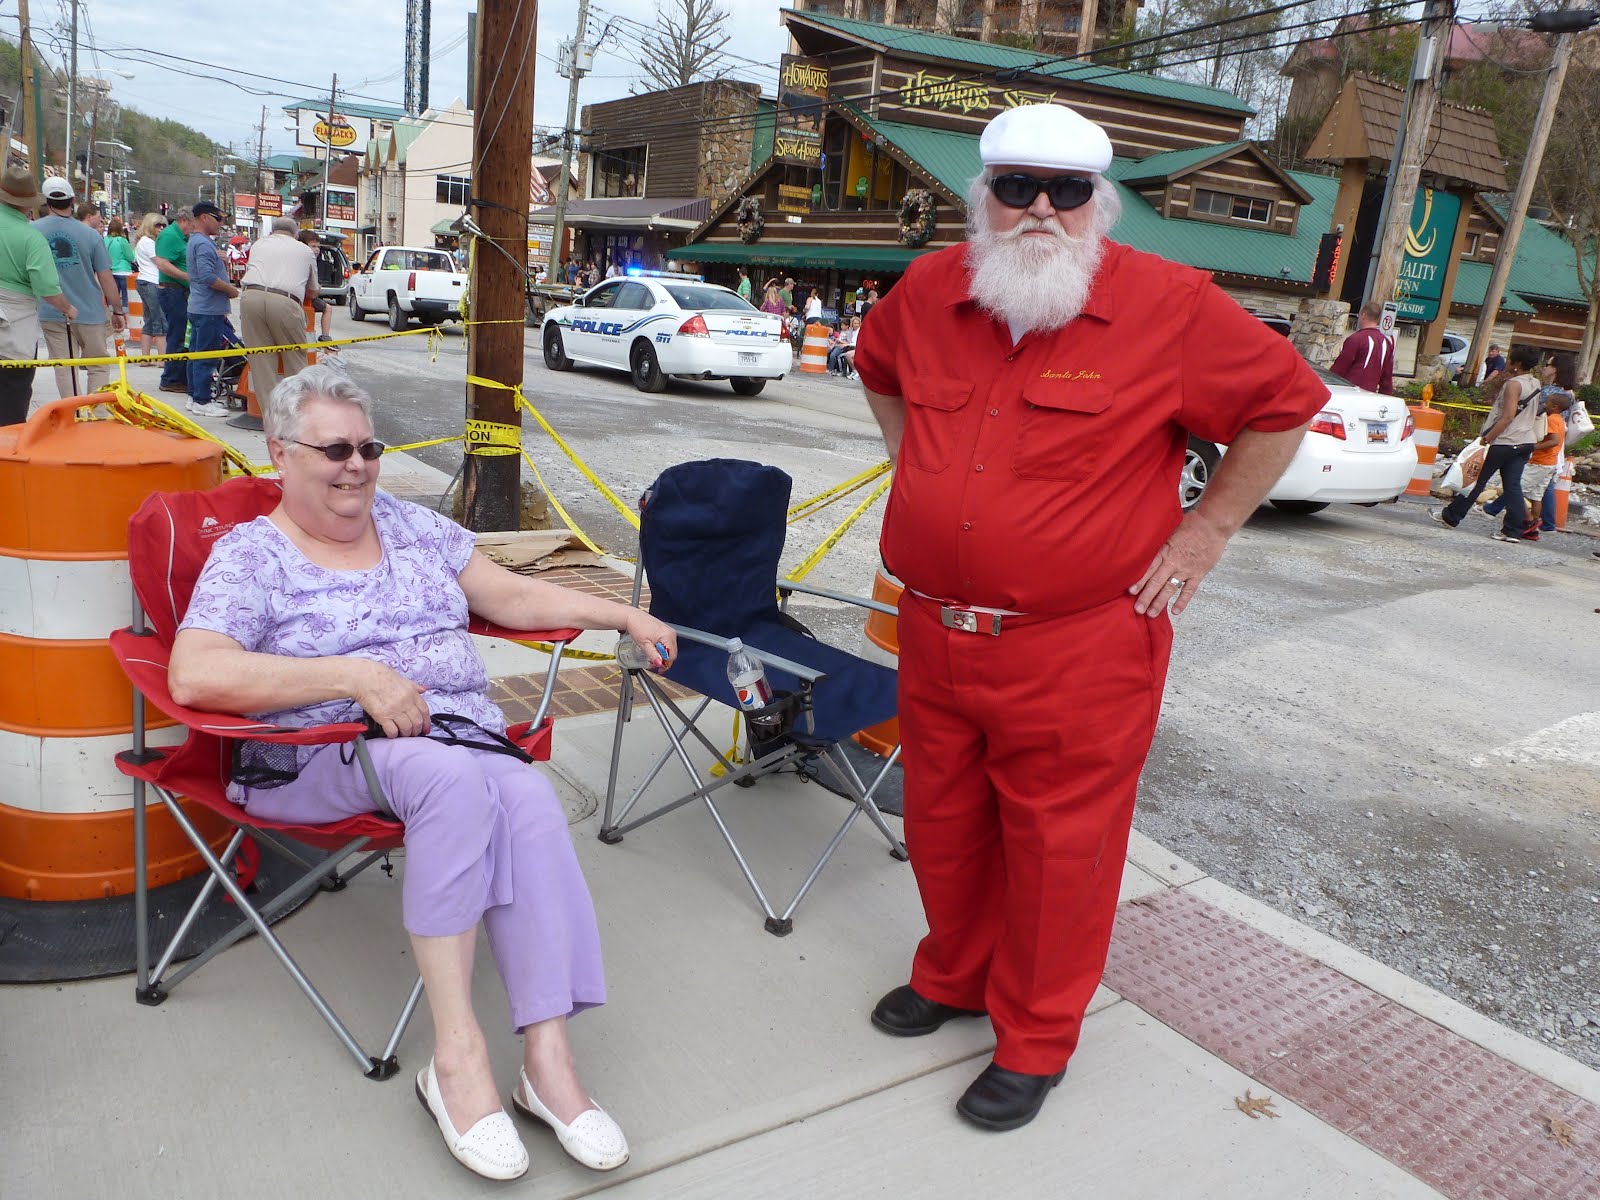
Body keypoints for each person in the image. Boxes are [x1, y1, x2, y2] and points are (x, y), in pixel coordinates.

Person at [853, 103, 1326, 1134]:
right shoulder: (931, 291)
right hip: (935, 628)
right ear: (982, 195)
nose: (1039, 211)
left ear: (1097, 203)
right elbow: (878, 367)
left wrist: (1204, 534)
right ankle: (952, 975)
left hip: (1076, 645)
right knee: (940, 824)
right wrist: (912, 468)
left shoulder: (1167, 307)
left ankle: (1033, 1037)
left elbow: (1284, 403)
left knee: (1059, 848)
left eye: (1065, 193)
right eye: (1016, 187)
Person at [168, 366, 675, 1181]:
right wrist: (354, 676)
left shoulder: (406, 524)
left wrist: (619, 611)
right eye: (334, 448)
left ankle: (548, 1060)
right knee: (455, 781)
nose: (357, 465)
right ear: (280, 454)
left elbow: (507, 596)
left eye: (369, 446)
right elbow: (195, 674)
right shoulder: (252, 557)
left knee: (527, 795)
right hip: (314, 752)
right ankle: (457, 1057)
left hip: (453, 740)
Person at [1432, 344, 1542, 542]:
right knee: (1512, 486)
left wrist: (1487, 438)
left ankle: (1451, 516)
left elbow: (1507, 416)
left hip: (1505, 440)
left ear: (1517, 363)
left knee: (1477, 480)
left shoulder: (1514, 384)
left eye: (1511, 360)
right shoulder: (1535, 383)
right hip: (1526, 441)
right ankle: (1513, 530)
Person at [34, 177, 124, 399]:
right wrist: (117, 310)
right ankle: (96, 411)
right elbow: (106, 277)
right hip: (90, 311)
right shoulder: (91, 235)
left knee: (65, 367)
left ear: (47, 201)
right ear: (72, 200)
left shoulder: (33, 231)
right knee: (99, 365)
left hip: (51, 310)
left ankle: (72, 413)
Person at [0, 164, 75, 425]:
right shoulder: (30, 238)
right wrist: (67, 308)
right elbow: (47, 289)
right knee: (11, 398)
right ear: (27, 203)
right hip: (12, 328)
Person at [239, 218, 318, 396]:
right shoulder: (305, 250)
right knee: (296, 365)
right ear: (296, 234)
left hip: (251, 299)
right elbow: (312, 291)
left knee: (261, 365)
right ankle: (296, 415)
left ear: (272, 231)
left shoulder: (258, 245)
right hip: (285, 303)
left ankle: (271, 420)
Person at [183, 200, 239, 418]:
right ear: (204, 218)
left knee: (195, 353)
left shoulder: (196, 242)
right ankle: (202, 400)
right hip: (208, 309)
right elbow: (207, 277)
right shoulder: (204, 244)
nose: (221, 224)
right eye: (218, 219)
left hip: (199, 306)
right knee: (206, 356)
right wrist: (230, 290)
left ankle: (193, 395)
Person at [153, 207, 194, 394]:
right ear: (185, 220)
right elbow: (162, 263)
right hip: (172, 291)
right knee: (177, 335)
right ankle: (171, 379)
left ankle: (179, 376)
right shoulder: (170, 236)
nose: (193, 229)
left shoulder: (182, 237)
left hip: (180, 290)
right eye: (192, 224)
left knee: (182, 334)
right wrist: (186, 276)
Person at [1329, 300, 1394, 395]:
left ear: (1363, 315)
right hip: (1370, 397)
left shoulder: (1355, 339)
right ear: (1378, 319)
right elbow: (1386, 380)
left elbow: (1339, 369)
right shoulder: (1387, 343)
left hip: (1349, 395)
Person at [132, 213, 168, 358]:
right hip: (151, 281)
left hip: (145, 280)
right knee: (160, 321)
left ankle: (145, 357)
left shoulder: (144, 241)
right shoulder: (148, 242)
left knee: (150, 321)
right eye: (158, 225)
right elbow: (159, 262)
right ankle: (163, 359)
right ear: (149, 226)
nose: (161, 228)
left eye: (164, 225)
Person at [296, 229, 335, 341]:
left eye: (318, 246)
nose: (317, 249)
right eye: (313, 246)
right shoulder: (309, 259)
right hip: (302, 297)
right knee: (327, 308)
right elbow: (312, 290)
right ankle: (326, 337)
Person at [105, 215, 136, 310]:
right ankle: (126, 313)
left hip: (110, 271)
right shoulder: (122, 240)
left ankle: (113, 311)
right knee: (126, 295)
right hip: (124, 270)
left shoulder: (105, 240)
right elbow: (130, 257)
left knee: (114, 294)